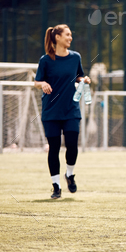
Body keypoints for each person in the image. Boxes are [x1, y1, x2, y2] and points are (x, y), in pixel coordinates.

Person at [34, 25, 91, 199]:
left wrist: (84, 79)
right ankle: (56, 186)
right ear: (57, 37)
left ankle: (70, 174)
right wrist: (42, 84)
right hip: (51, 111)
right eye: (67, 35)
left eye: (71, 35)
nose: (70, 38)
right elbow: (37, 82)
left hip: (71, 109)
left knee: (72, 144)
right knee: (54, 148)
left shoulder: (75, 57)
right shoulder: (45, 60)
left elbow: (79, 75)